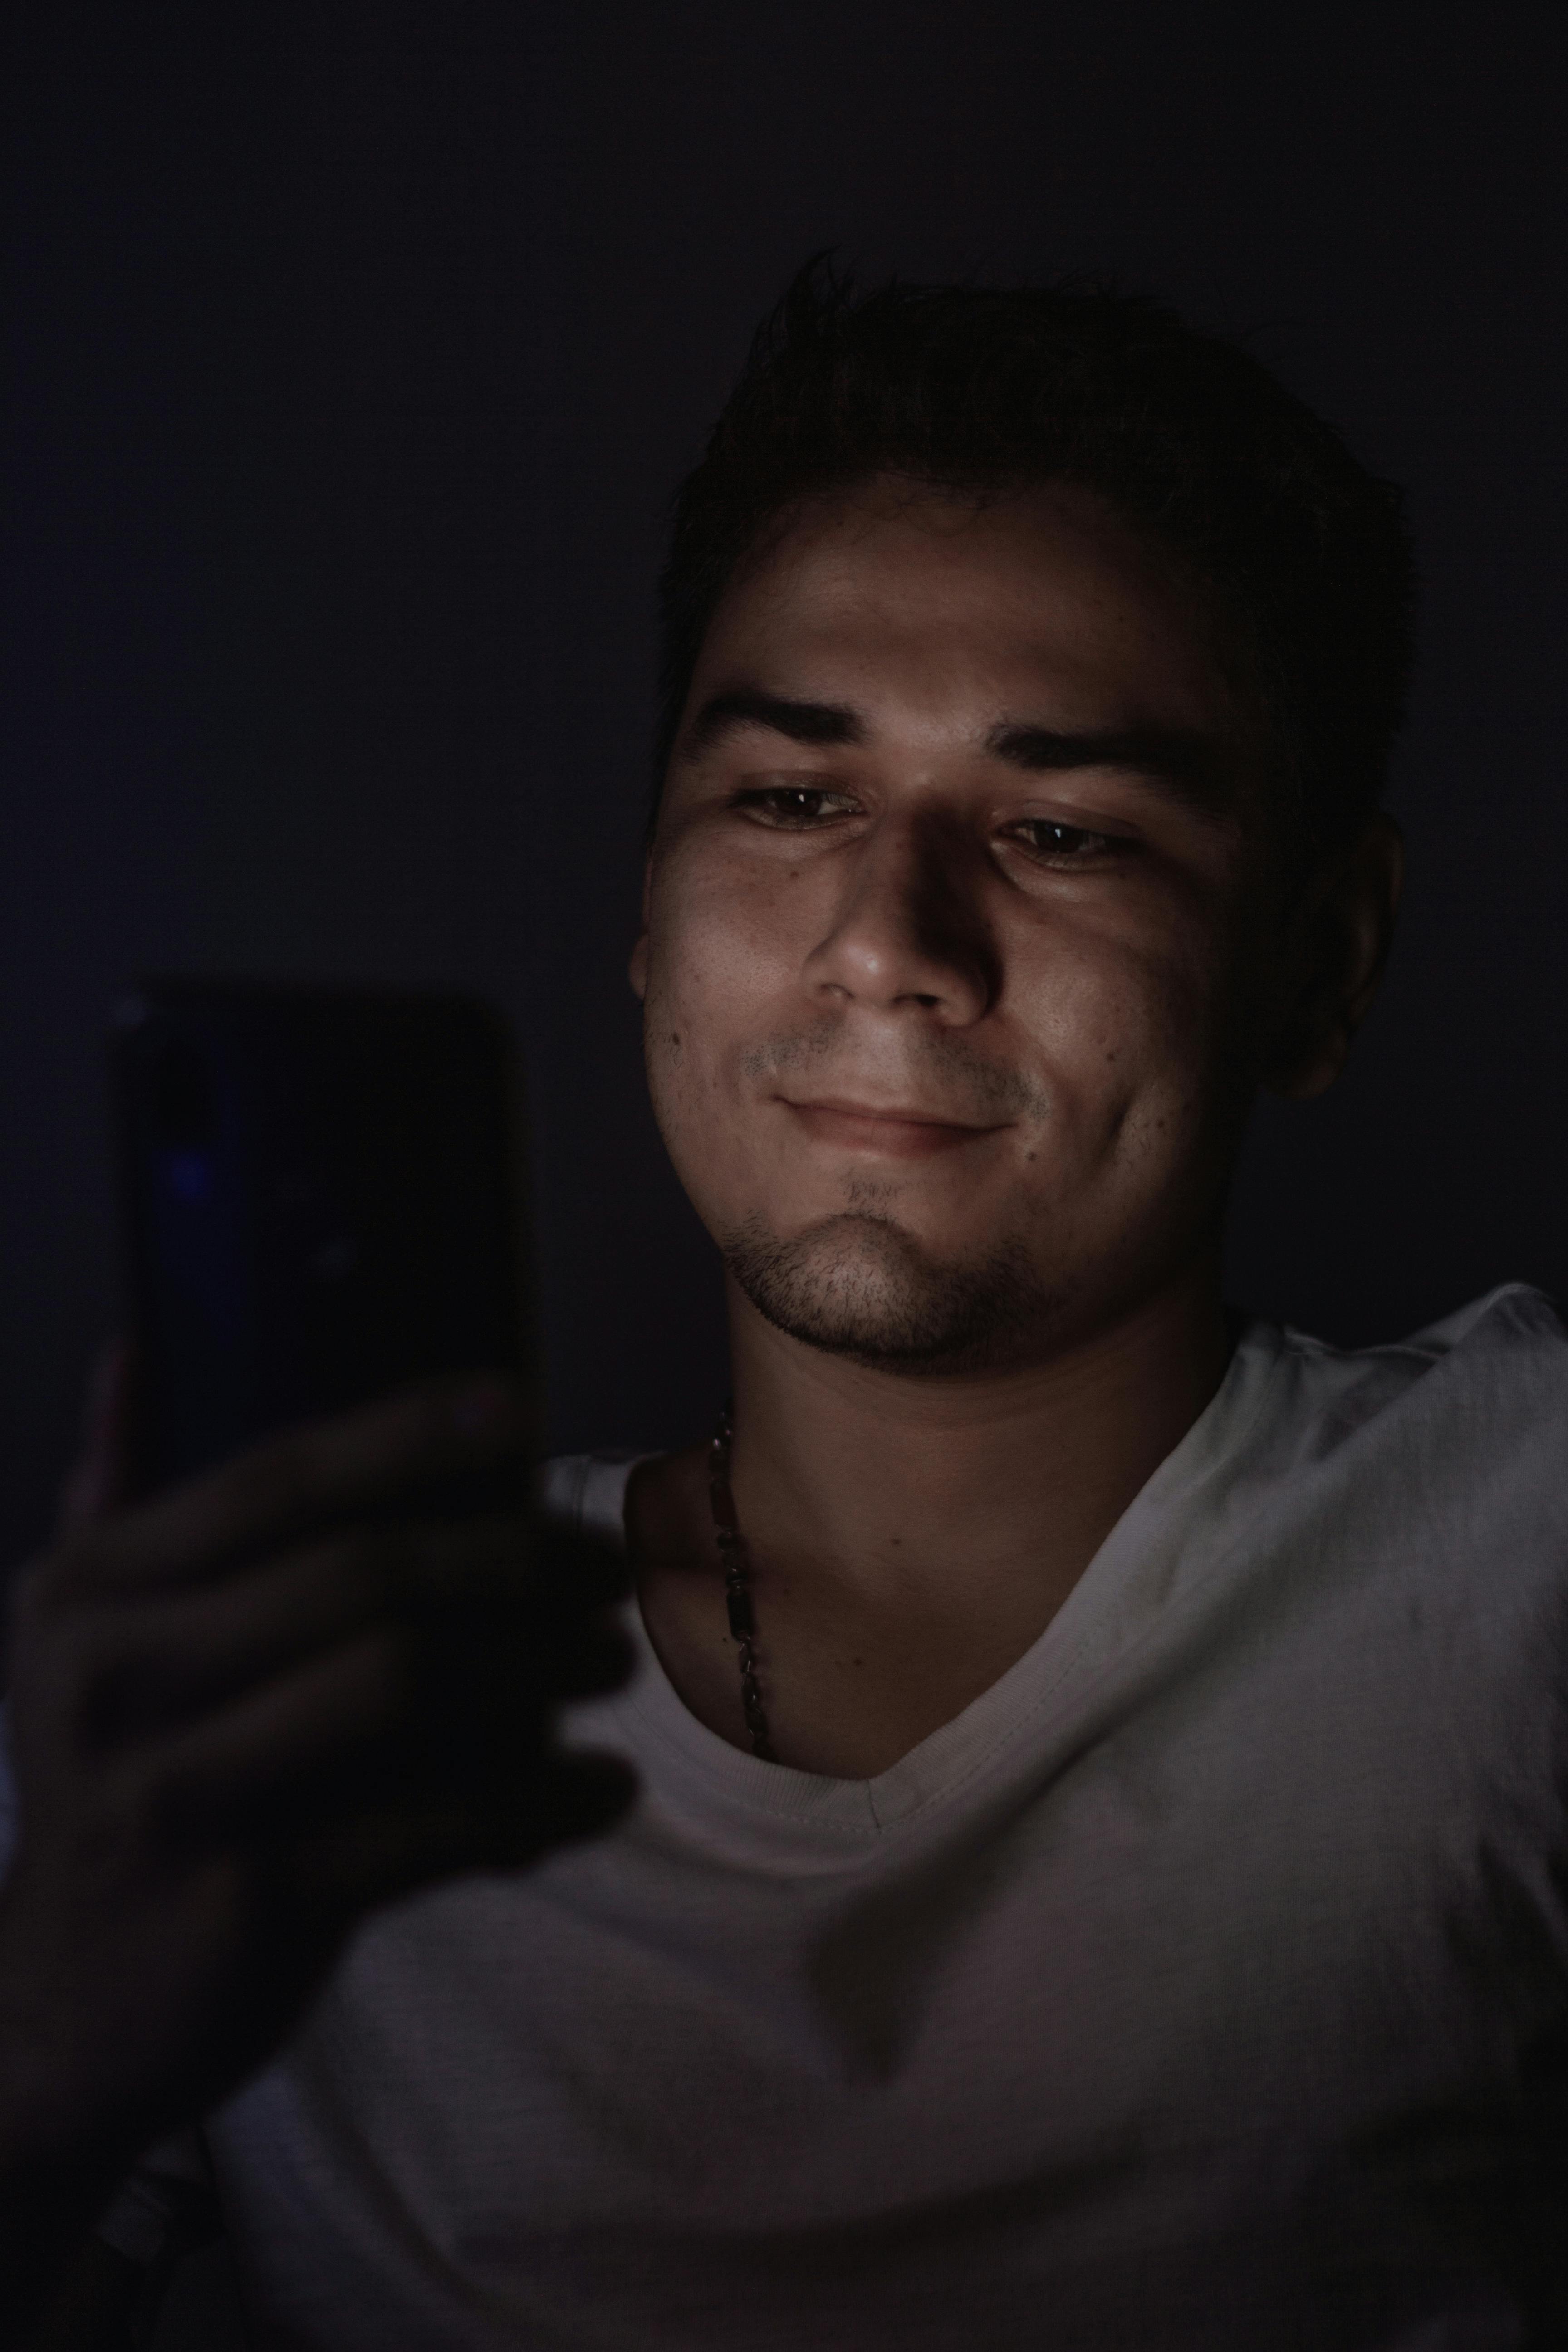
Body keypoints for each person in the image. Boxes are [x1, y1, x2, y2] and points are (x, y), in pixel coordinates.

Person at [3, 258, 1566, 2349]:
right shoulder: (278, 1683)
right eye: (791, 799)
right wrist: (47, 2050)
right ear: (648, 909)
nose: (886, 943)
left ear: (1325, 961)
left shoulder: (1519, 1545)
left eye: (1062, 827)